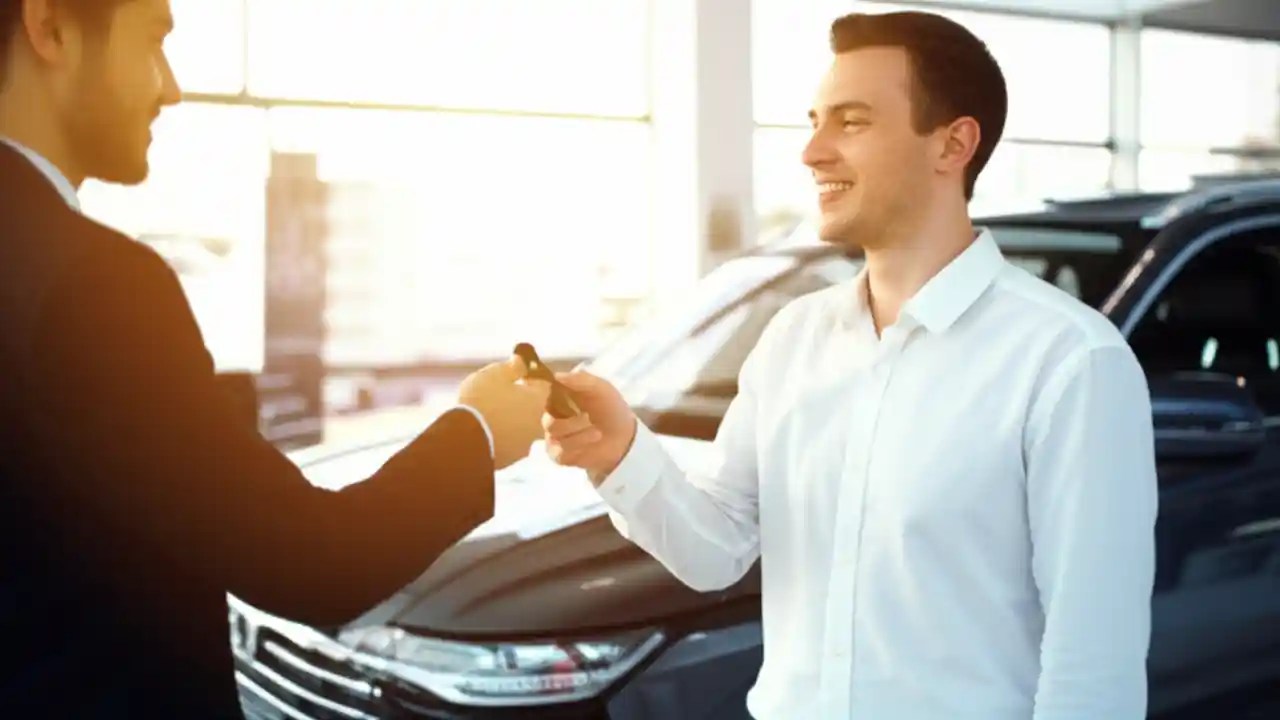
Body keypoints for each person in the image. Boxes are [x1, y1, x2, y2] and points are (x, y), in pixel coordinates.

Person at [545, 10, 1157, 720]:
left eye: (851, 121)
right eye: (814, 120)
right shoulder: (793, 340)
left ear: (953, 144)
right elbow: (716, 552)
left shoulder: (1070, 362)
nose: (811, 151)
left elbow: (1094, 673)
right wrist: (621, 453)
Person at [0, 0, 550, 717]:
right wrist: (479, 431)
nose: (169, 87)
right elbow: (310, 560)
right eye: (151, 44)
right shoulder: (95, 282)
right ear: (52, 27)